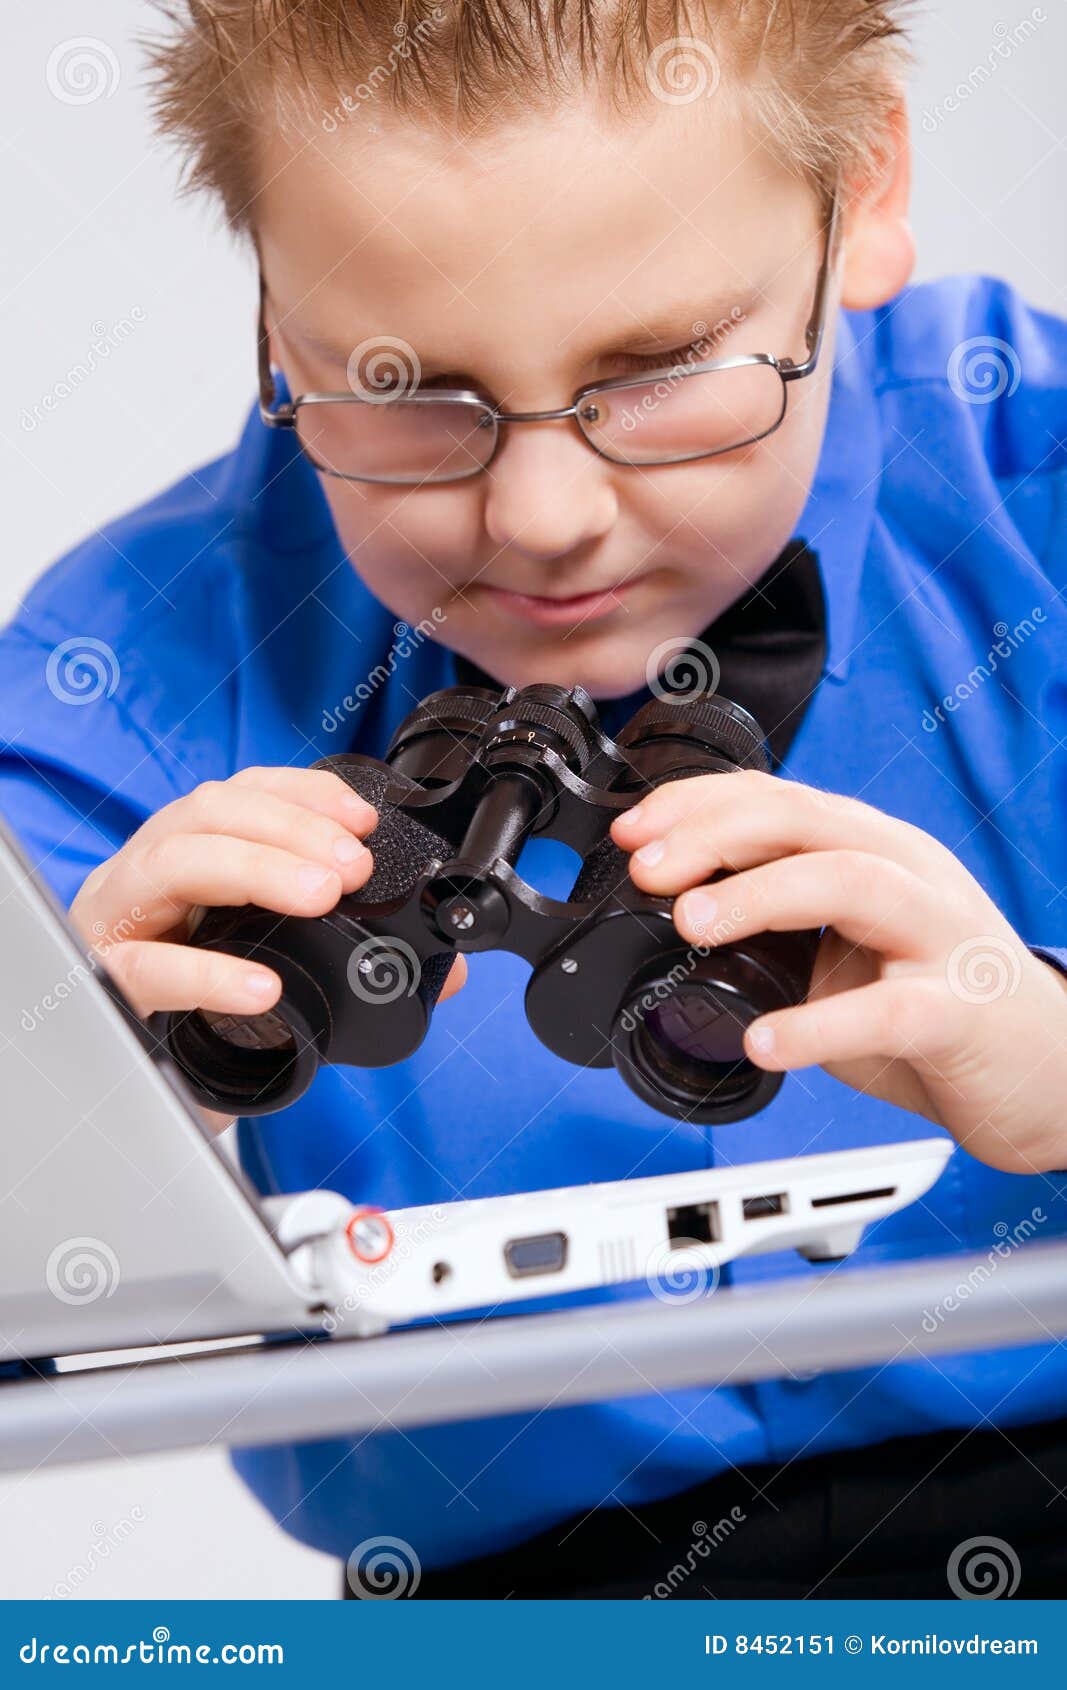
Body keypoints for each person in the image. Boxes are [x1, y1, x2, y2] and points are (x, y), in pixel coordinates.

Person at [3, 0, 1066, 1599]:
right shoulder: (119, 676)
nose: (545, 516)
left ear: (867, 186)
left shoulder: (1032, 492)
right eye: (410, 393)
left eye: (655, 371)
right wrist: (65, 1157)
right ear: (275, 318)